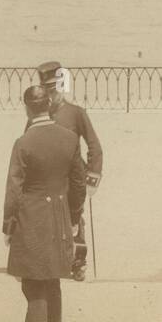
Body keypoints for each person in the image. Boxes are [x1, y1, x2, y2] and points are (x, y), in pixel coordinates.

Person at [4, 85, 87, 322]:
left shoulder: (23, 142)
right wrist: (74, 218)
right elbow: (78, 183)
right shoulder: (69, 138)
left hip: (32, 216)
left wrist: (8, 225)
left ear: (27, 108)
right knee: (52, 280)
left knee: (34, 284)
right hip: (60, 214)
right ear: (49, 104)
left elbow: (14, 190)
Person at [31, 61, 103, 281]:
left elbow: (94, 146)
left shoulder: (76, 113)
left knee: (75, 217)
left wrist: (92, 177)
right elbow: (29, 142)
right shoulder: (38, 114)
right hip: (47, 176)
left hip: (74, 176)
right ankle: (52, 260)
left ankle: (78, 262)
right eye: (47, 90)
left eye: (55, 89)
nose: (52, 95)